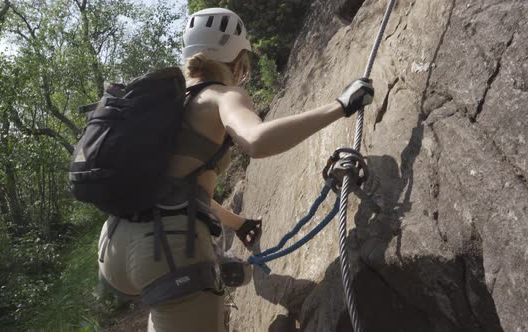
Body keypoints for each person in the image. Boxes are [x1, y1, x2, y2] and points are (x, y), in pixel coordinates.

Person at [98, 7, 374, 332]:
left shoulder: (167, 105)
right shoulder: (222, 95)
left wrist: (237, 223)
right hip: (166, 252)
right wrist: (341, 105)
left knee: (167, 304)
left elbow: (178, 190)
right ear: (235, 57)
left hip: (113, 247)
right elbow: (256, 140)